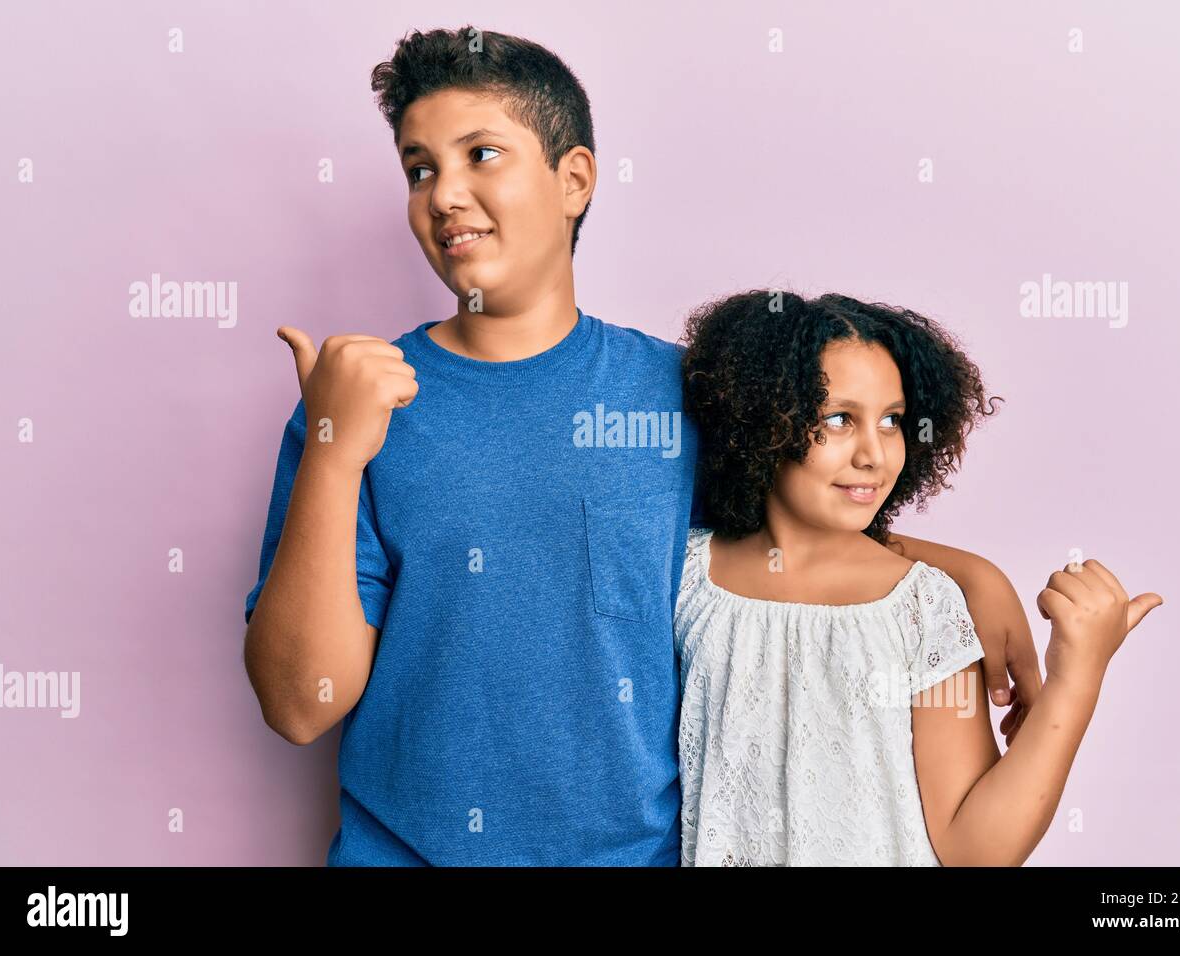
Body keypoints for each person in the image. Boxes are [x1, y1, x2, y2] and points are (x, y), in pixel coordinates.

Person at [243, 26, 1037, 866]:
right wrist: (333, 448)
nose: (443, 195)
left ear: (573, 179)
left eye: (481, 154)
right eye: (419, 168)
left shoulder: (684, 395)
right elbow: (300, 705)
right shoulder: (356, 402)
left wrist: (962, 573)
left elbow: (788, 543)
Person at [674, 289, 1163, 865]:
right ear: (762, 423)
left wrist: (1077, 677)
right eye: (838, 419)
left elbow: (975, 849)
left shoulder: (922, 606)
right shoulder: (684, 577)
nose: (874, 454)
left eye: (892, 421)